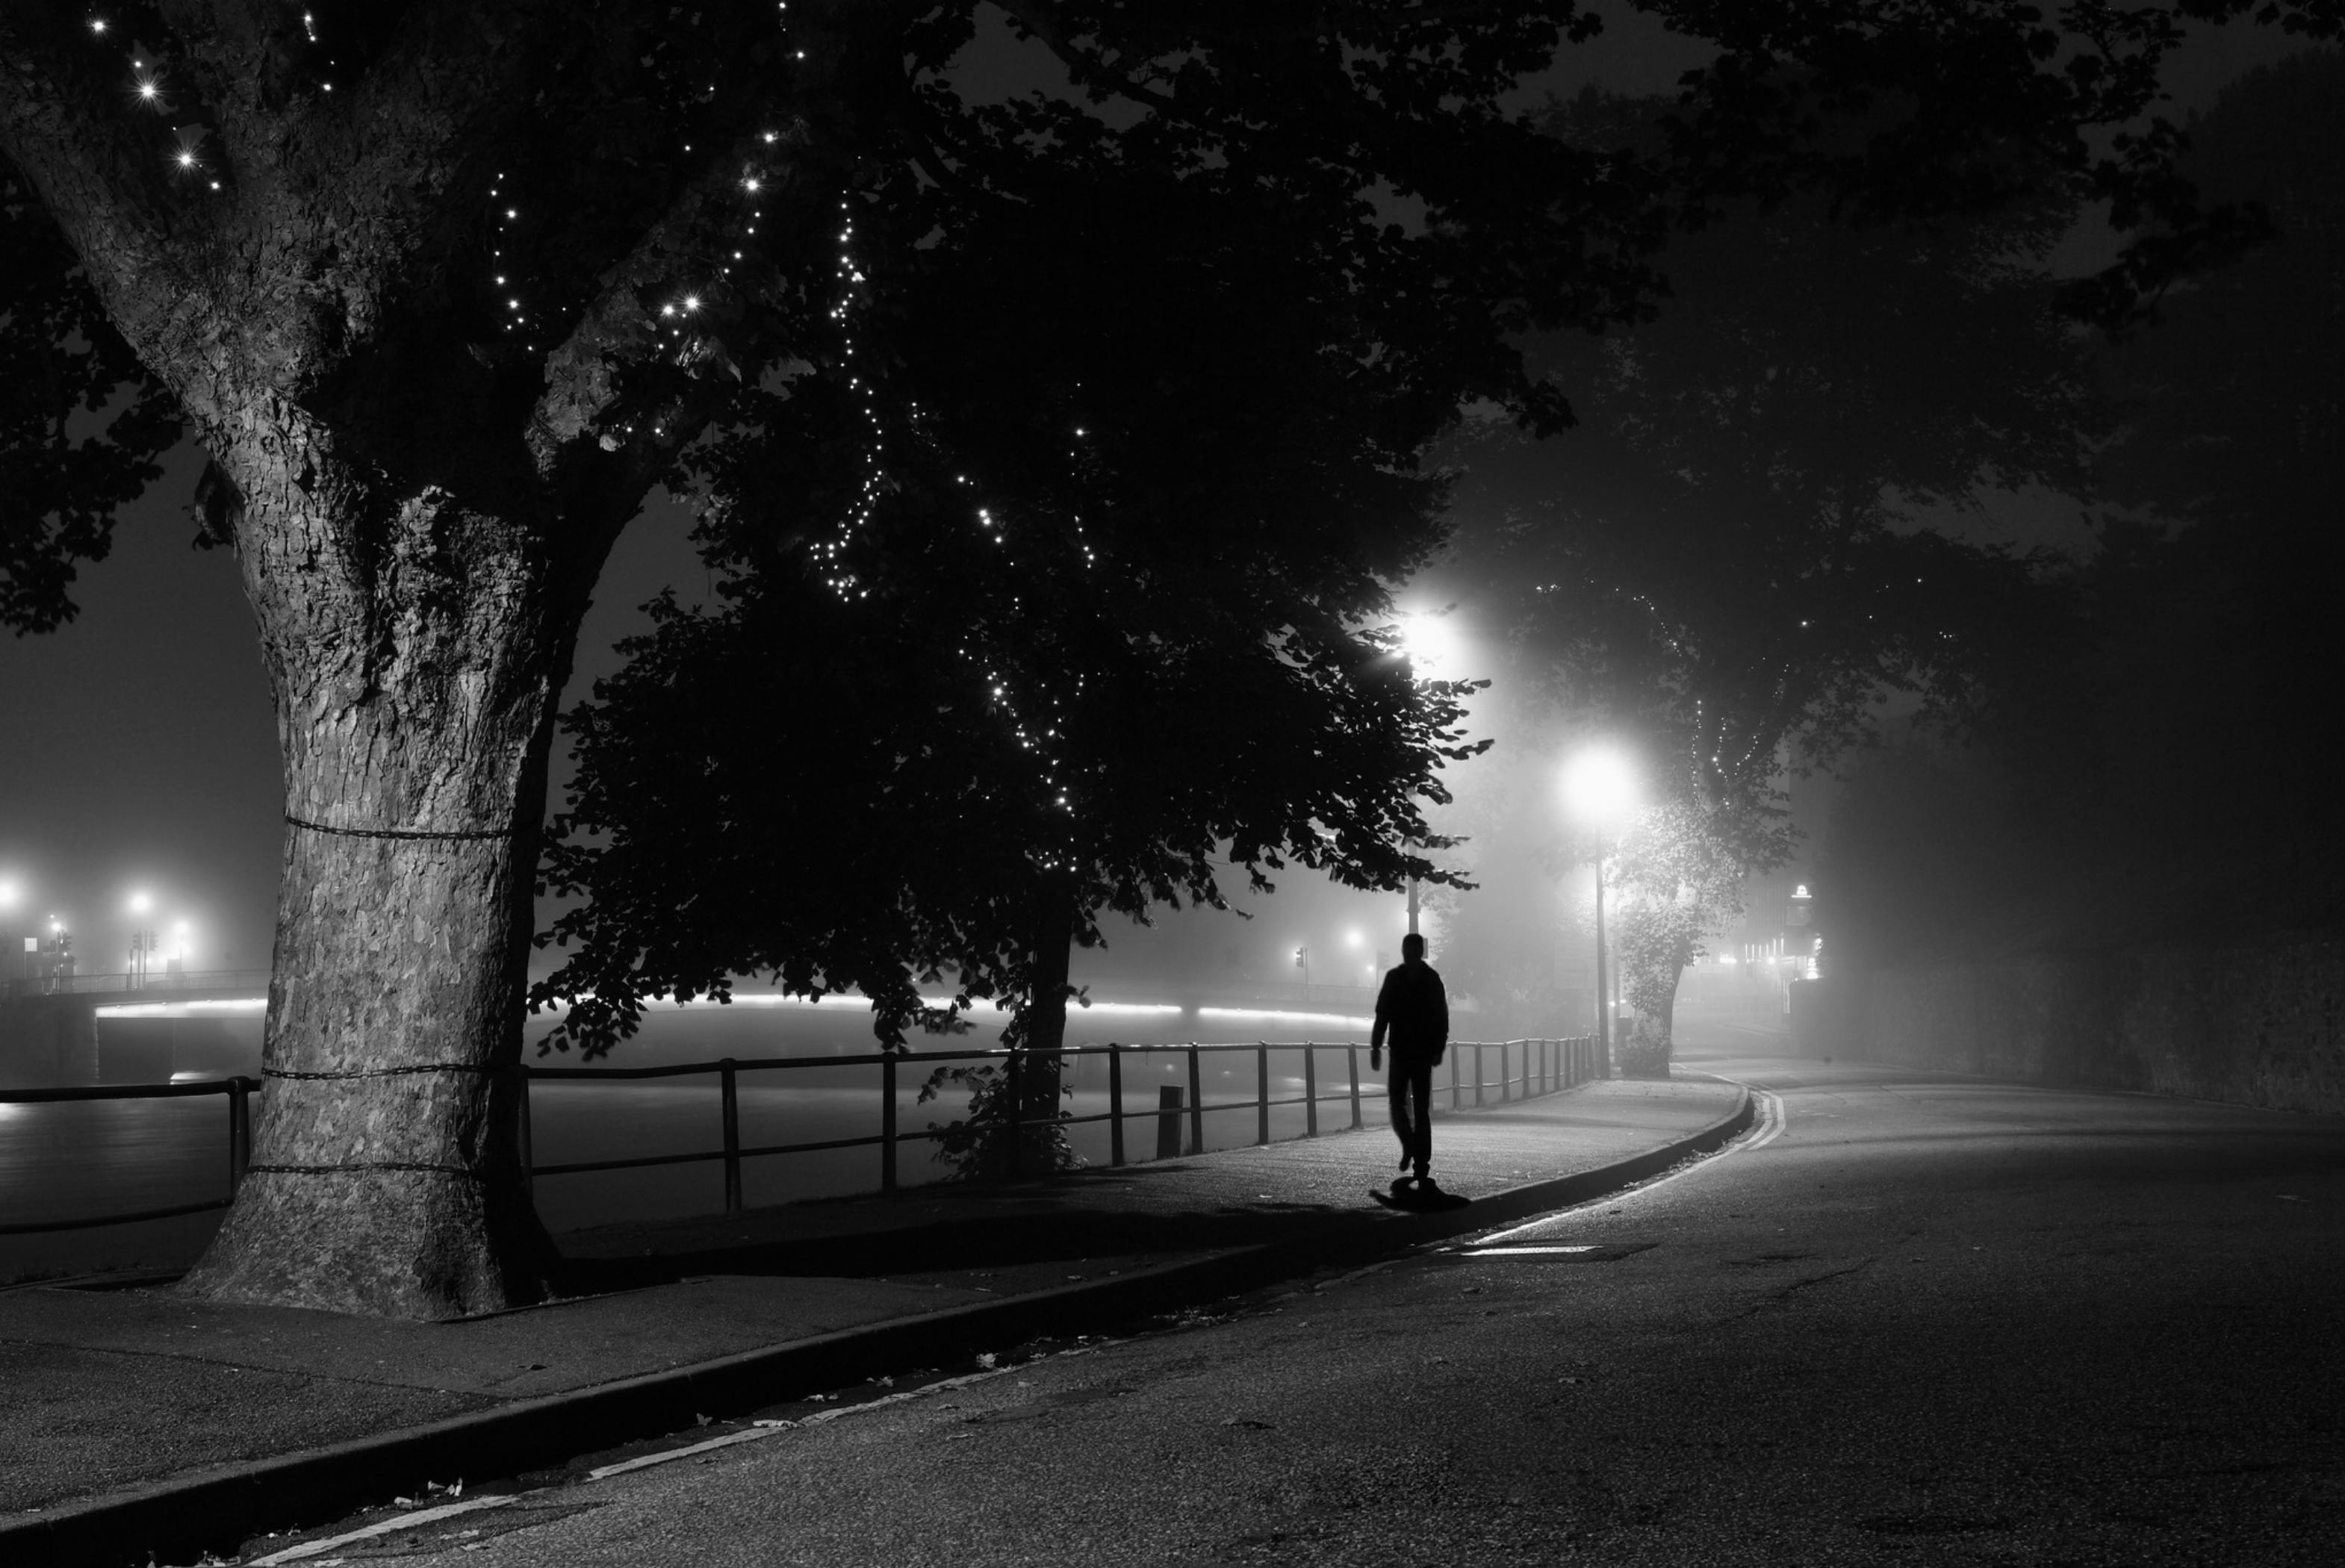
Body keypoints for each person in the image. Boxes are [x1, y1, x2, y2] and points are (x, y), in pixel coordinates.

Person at [1370, 932, 1449, 1192]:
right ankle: (1420, 1160)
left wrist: (1376, 1045)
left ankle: (1409, 1145)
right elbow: (1441, 1016)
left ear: (1406, 951)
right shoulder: (1431, 979)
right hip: (1422, 1052)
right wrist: (1438, 1047)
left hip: (1403, 1051)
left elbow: (1383, 1014)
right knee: (1421, 1108)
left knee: (1398, 1101)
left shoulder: (1395, 979)